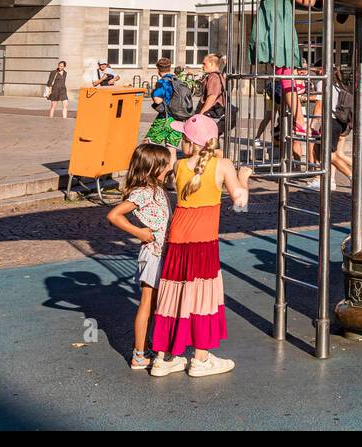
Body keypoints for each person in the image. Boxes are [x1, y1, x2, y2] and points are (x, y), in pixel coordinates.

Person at [150, 114, 252, 378]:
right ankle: (201, 358)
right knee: (203, 295)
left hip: (178, 238)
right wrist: (244, 178)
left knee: (173, 293)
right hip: (204, 240)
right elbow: (240, 203)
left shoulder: (179, 167)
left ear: (188, 142)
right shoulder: (223, 165)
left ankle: (163, 357)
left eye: (182, 137)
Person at [105, 143, 175, 370]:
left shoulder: (156, 188)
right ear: (154, 168)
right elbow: (114, 215)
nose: (168, 169)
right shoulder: (144, 192)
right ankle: (138, 354)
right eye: (165, 166)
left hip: (160, 251)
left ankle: (149, 344)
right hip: (153, 252)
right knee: (147, 303)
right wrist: (138, 232)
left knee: (155, 303)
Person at [196, 53, 227, 129]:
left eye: (204, 64)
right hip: (213, 113)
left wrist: (201, 114)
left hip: (210, 113)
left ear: (212, 64)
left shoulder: (213, 77)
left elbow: (212, 97)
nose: (202, 66)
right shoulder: (217, 75)